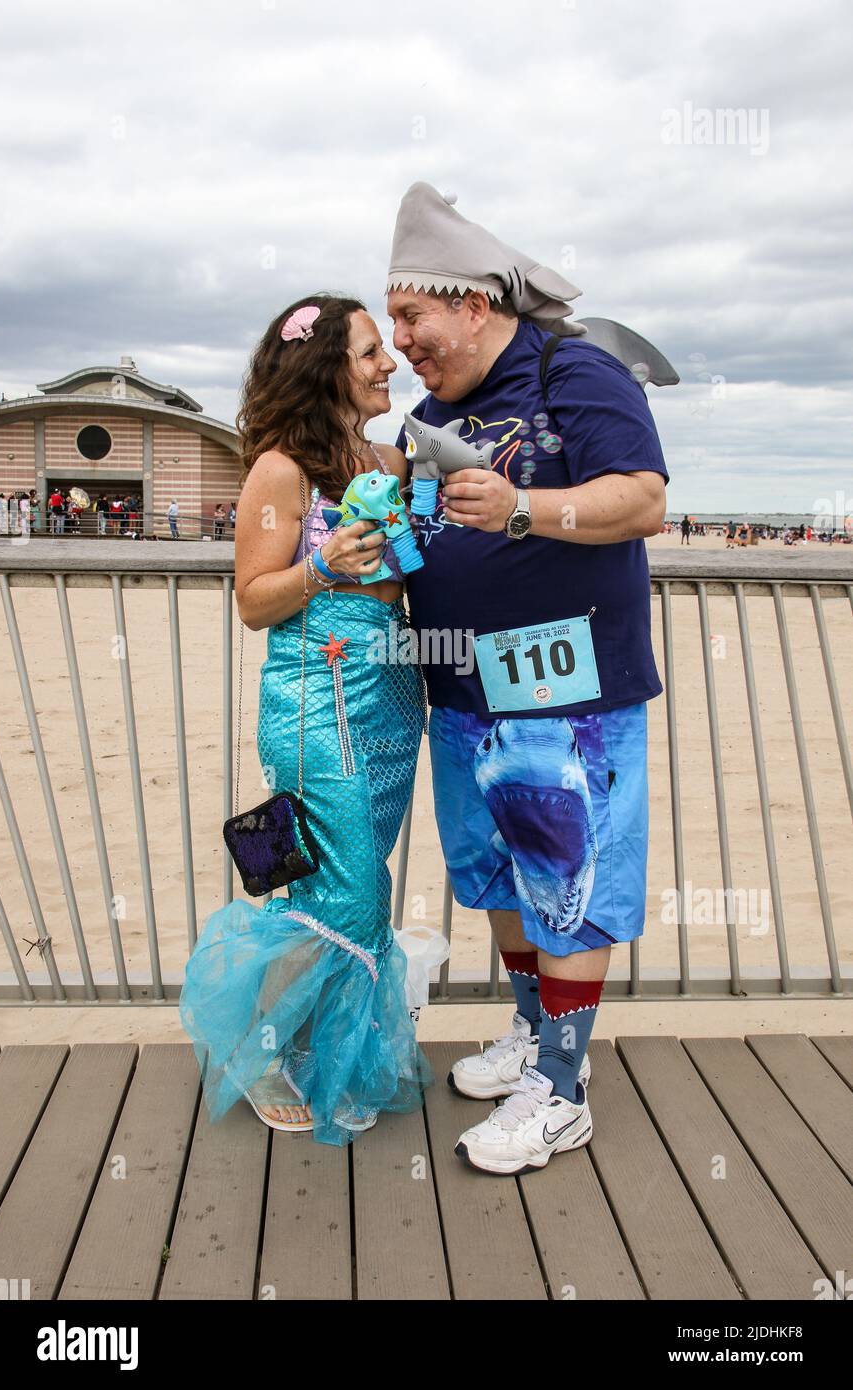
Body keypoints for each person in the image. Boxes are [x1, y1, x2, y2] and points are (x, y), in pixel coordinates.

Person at [386, 182, 671, 1175]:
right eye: (389, 324)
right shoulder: (426, 414)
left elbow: (639, 500)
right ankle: (528, 1034)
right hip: (465, 693)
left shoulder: (573, 371)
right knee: (502, 876)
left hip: (568, 693)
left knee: (568, 882)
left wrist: (518, 510)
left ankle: (561, 1086)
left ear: (469, 304)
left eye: (411, 318)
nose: (401, 341)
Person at [179, 294, 434, 1145]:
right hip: (312, 703)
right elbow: (254, 602)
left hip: (392, 692)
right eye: (369, 353)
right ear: (326, 367)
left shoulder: (391, 463)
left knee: (340, 889)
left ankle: (323, 1046)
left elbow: (400, 583)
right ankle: (255, 1052)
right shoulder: (279, 471)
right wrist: (321, 566)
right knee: (355, 888)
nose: (387, 363)